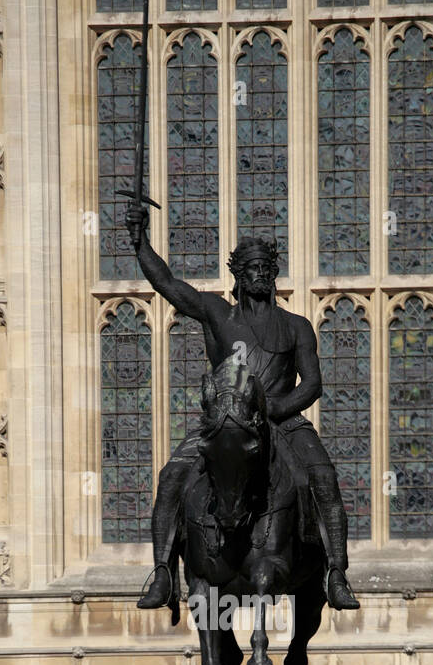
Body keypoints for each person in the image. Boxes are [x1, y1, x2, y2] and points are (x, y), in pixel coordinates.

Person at [125, 202, 359, 612]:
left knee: (323, 477)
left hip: (283, 422)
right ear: (238, 274)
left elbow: (314, 383)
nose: (260, 274)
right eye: (252, 267)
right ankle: (162, 572)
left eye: (267, 267)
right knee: (171, 478)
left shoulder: (296, 326)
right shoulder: (218, 313)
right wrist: (139, 241)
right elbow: (167, 283)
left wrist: (272, 413)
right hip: (224, 422)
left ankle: (336, 573)